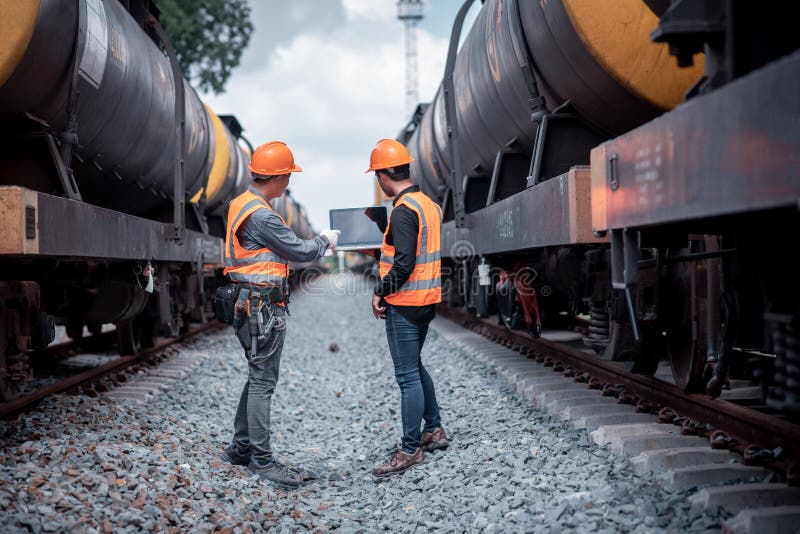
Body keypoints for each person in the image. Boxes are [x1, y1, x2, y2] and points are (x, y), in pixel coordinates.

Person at [220, 140, 340, 489]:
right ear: (278, 178)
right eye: (288, 175)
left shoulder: (242, 204)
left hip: (246, 302)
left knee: (256, 375)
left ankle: (240, 449)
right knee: (262, 381)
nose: (288, 181)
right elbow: (299, 250)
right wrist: (325, 241)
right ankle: (261, 459)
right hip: (261, 306)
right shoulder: (262, 215)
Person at [365, 139, 449, 478]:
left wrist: (379, 293)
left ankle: (410, 448)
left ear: (383, 176)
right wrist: (375, 252)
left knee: (407, 375)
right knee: (415, 366)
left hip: (405, 302)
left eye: (377, 176)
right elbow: (411, 251)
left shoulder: (402, 211)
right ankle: (434, 429)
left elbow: (403, 264)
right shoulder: (427, 205)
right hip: (426, 300)